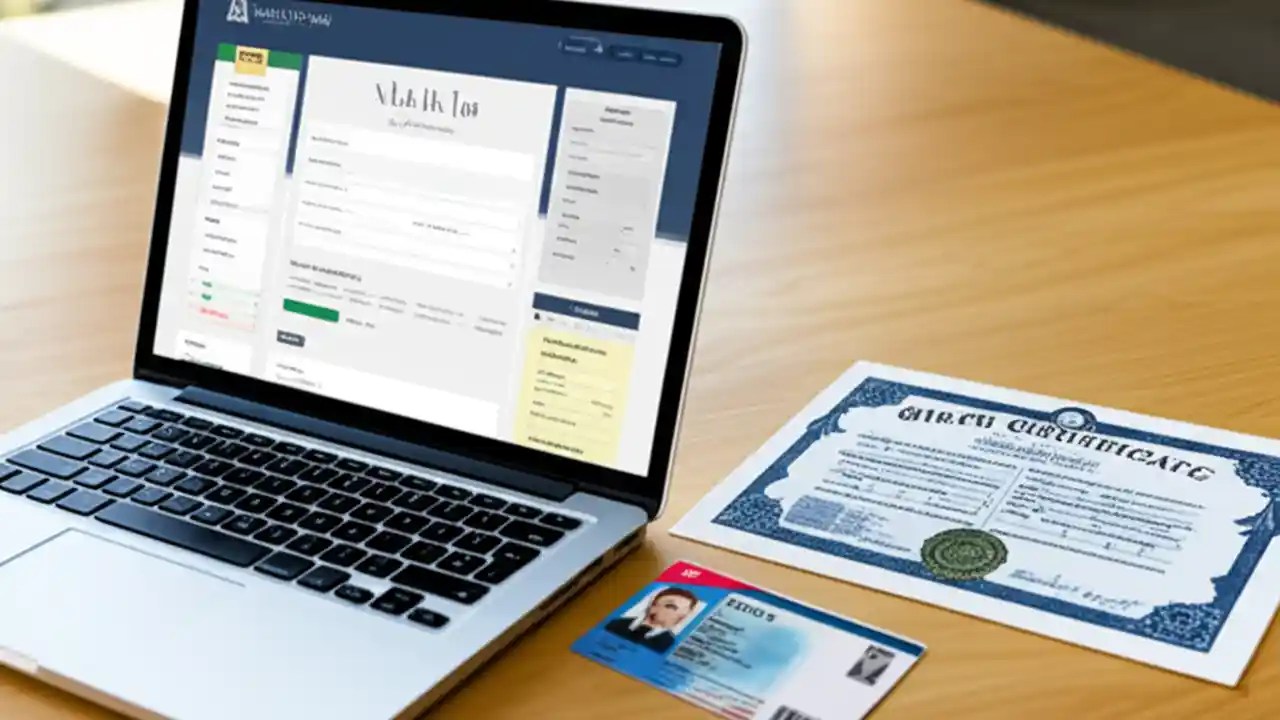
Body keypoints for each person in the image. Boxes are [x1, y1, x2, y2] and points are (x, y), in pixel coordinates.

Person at [604, 587, 699, 653]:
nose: (679, 615)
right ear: (653, 606)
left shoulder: (669, 644)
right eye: (672, 606)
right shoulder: (616, 624)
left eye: (685, 611)